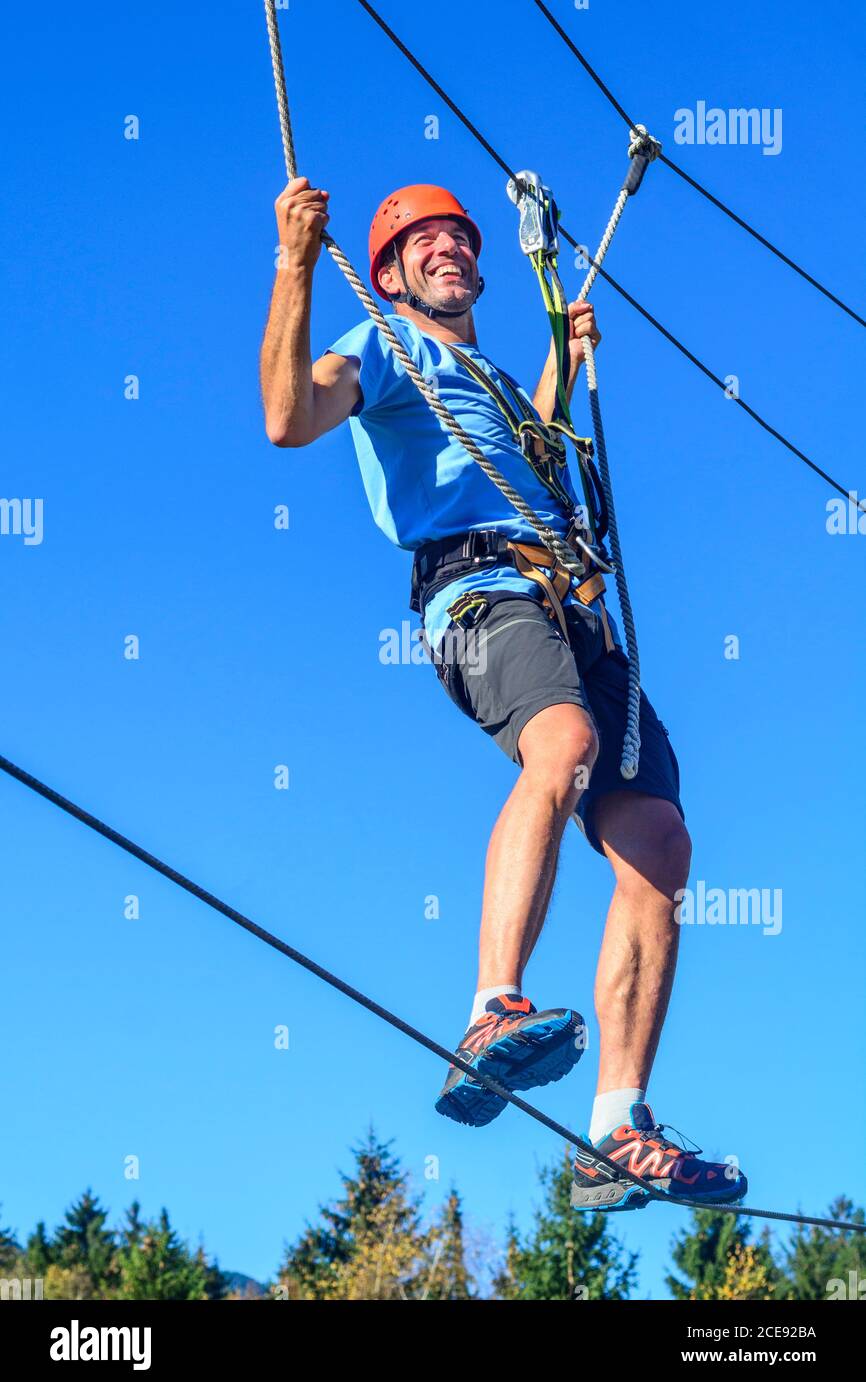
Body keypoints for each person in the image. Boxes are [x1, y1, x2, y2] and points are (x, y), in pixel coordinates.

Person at [259, 177, 747, 1212]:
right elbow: (287, 416)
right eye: (420, 241)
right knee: (560, 742)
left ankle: (615, 1127)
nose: (445, 248)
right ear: (387, 271)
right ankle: (489, 1007)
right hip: (481, 591)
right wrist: (295, 262)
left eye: (454, 237)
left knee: (659, 847)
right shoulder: (384, 349)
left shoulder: (481, 379)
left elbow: (524, 444)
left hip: (574, 602)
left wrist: (563, 365)